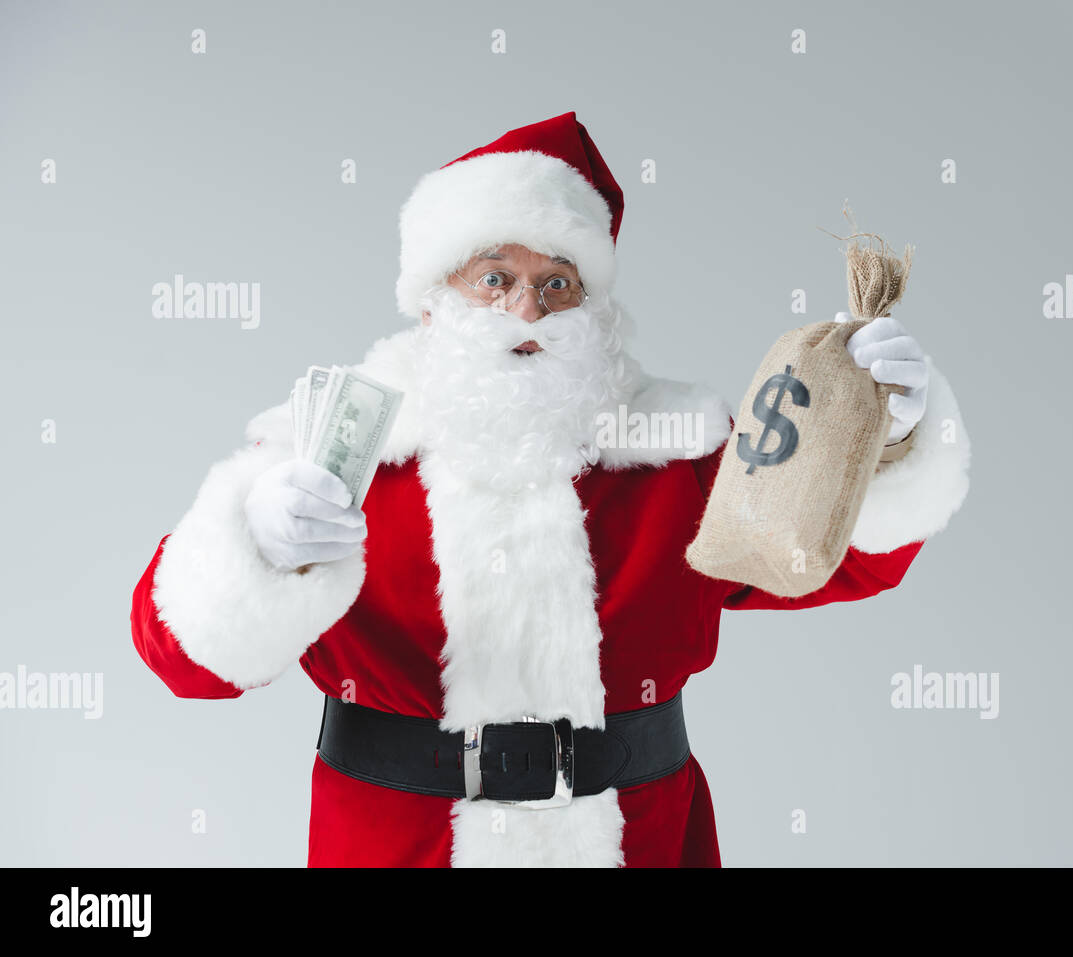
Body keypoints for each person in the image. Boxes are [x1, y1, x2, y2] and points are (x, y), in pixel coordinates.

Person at [129, 111, 971, 867]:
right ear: (433, 301)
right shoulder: (325, 457)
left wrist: (883, 437)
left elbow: (836, 557)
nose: (526, 310)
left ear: (594, 306)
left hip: (638, 841)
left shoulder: (674, 455)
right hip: (397, 845)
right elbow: (184, 659)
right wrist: (258, 548)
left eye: (557, 282)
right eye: (493, 277)